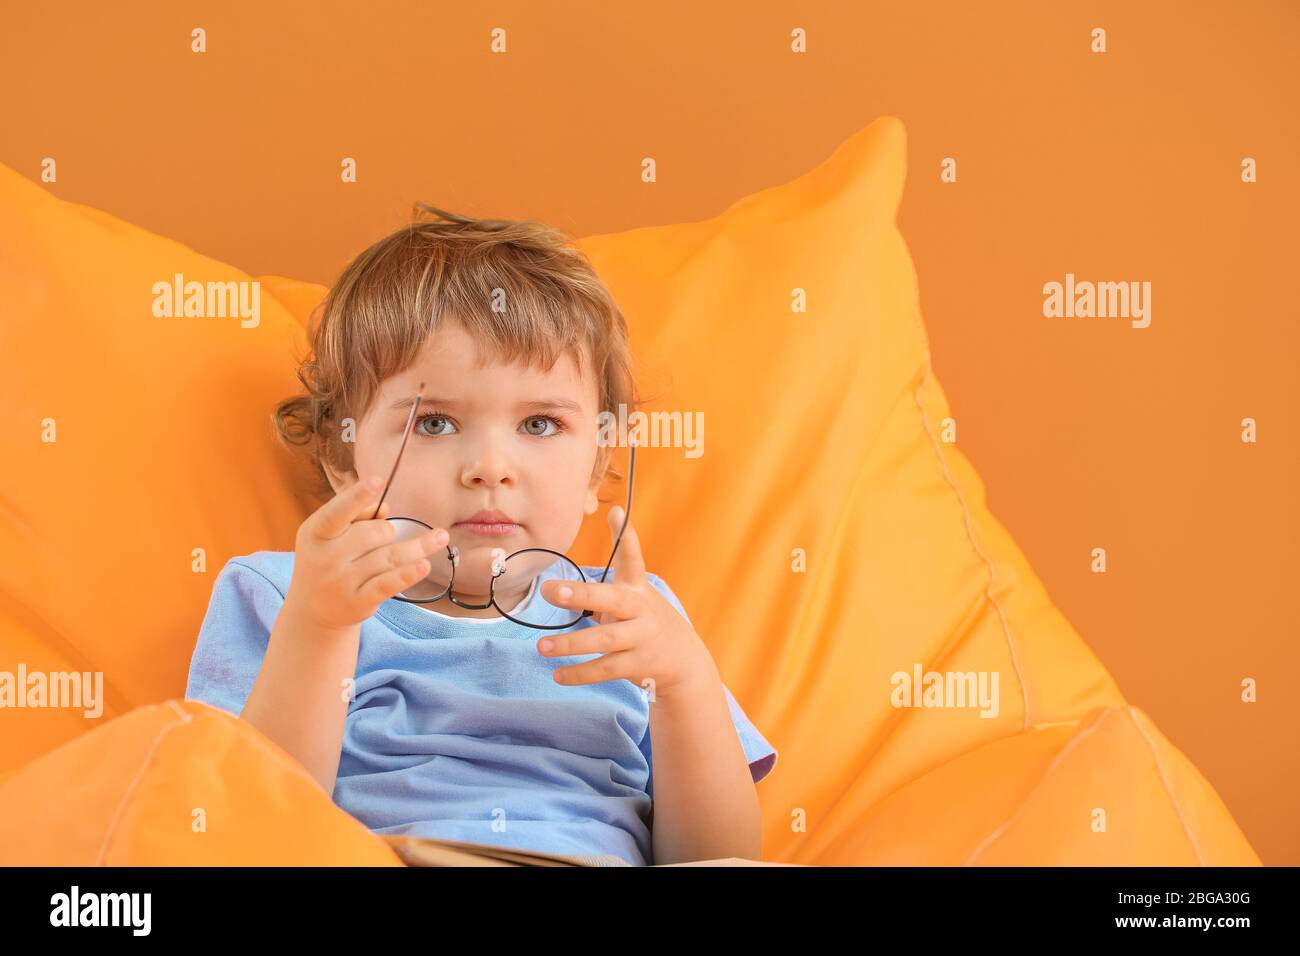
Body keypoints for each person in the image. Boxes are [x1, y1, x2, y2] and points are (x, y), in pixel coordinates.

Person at [184, 204, 777, 866]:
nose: (490, 468)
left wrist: (684, 684)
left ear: (598, 464)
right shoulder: (283, 593)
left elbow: (716, 855)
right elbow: (252, 829)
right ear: (344, 457)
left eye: (540, 425)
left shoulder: (634, 620)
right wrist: (319, 630)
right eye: (434, 424)